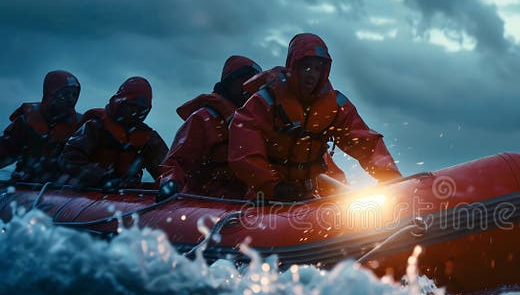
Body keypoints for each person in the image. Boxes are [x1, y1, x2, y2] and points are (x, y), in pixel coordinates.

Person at [229, 33, 401, 201]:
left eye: (318, 68)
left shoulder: (336, 106)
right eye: (306, 67)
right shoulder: (266, 101)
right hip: (265, 198)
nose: (312, 74)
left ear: (324, 72)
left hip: (308, 196)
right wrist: (273, 187)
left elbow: (366, 145)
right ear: (293, 66)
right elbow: (244, 151)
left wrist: (393, 181)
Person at [156, 55, 262, 202]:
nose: (250, 86)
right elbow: (176, 162)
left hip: (243, 204)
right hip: (203, 203)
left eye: (254, 81)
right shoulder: (202, 119)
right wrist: (170, 183)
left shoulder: (256, 122)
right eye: (245, 79)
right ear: (229, 82)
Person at [59, 76, 168, 190]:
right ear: (120, 102)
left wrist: (170, 183)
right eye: (132, 107)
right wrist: (102, 178)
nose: (136, 113)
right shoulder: (95, 126)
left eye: (141, 109)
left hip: (129, 194)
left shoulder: (148, 137)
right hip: (88, 191)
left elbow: (167, 167)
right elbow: (69, 159)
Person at [0, 70, 83, 182]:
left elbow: (83, 160)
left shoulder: (79, 125)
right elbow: (6, 151)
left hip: (64, 188)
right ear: (50, 94)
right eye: (65, 94)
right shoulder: (26, 122)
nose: (71, 99)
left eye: (74, 94)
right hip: (25, 184)